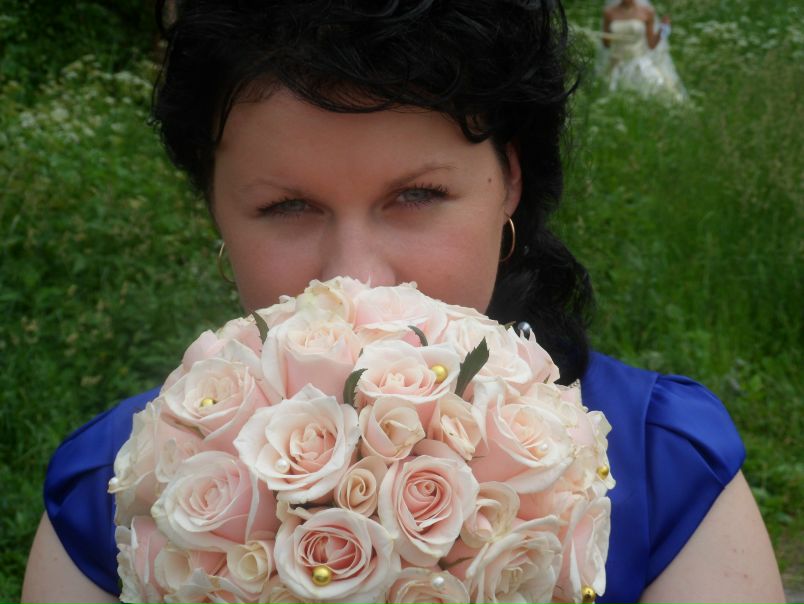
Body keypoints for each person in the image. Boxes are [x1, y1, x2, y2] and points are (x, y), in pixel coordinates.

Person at [22, 1, 784, 603]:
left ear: (509, 183)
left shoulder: (666, 466)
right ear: (217, 215)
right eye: (288, 207)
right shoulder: (116, 491)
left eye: (417, 196)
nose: (358, 277)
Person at [601, 0, 687, 101]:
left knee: (656, 89)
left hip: (639, 63)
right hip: (617, 63)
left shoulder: (646, 12)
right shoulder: (609, 12)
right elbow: (606, 44)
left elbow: (652, 44)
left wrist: (663, 29)